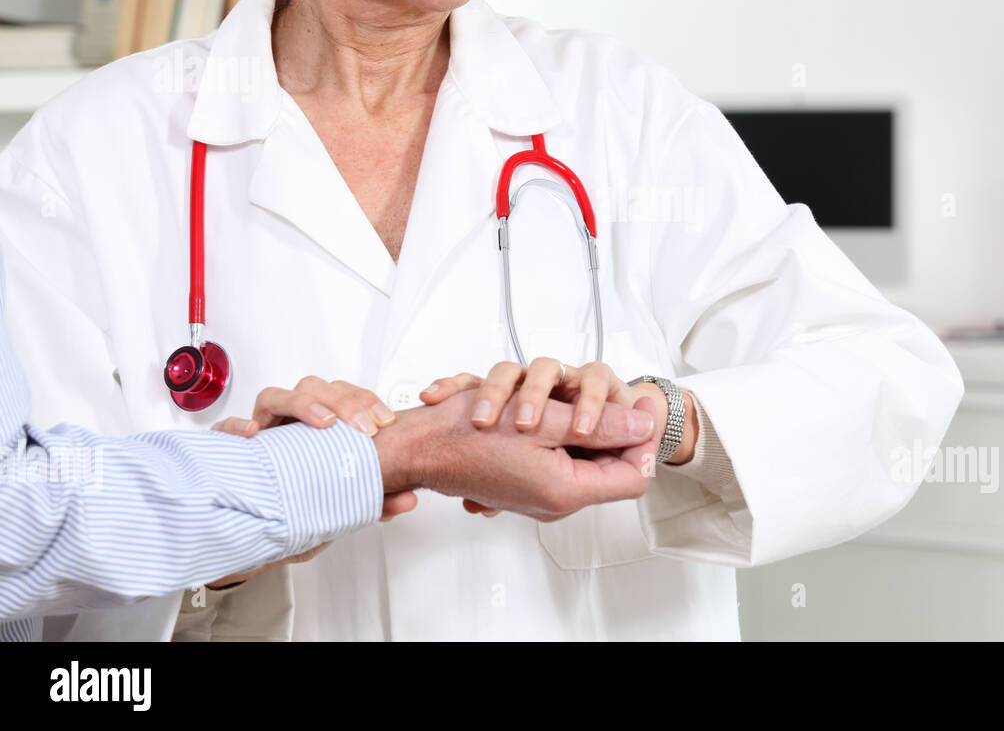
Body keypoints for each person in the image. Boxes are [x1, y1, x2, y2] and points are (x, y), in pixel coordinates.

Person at [0, 0, 964, 640]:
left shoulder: (620, 112)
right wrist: (255, 503)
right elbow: (27, 539)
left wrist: (662, 421)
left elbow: (892, 378)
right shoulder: (92, 151)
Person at [0, 247, 660, 639]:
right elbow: (22, 529)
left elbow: (761, 400)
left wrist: (665, 420)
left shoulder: (631, 99)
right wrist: (387, 454)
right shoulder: (88, 135)